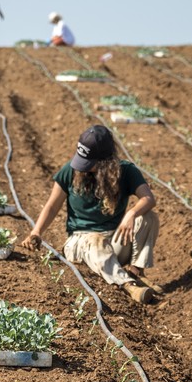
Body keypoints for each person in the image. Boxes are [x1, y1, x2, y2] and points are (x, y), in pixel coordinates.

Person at [22, 125, 161, 303]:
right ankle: (128, 285)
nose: (84, 168)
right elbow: (51, 206)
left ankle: (135, 271)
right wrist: (36, 232)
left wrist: (132, 213)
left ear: (106, 162)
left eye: (90, 163)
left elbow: (148, 198)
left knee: (148, 217)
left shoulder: (126, 171)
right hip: (81, 242)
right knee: (96, 240)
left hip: (114, 239)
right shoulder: (70, 171)